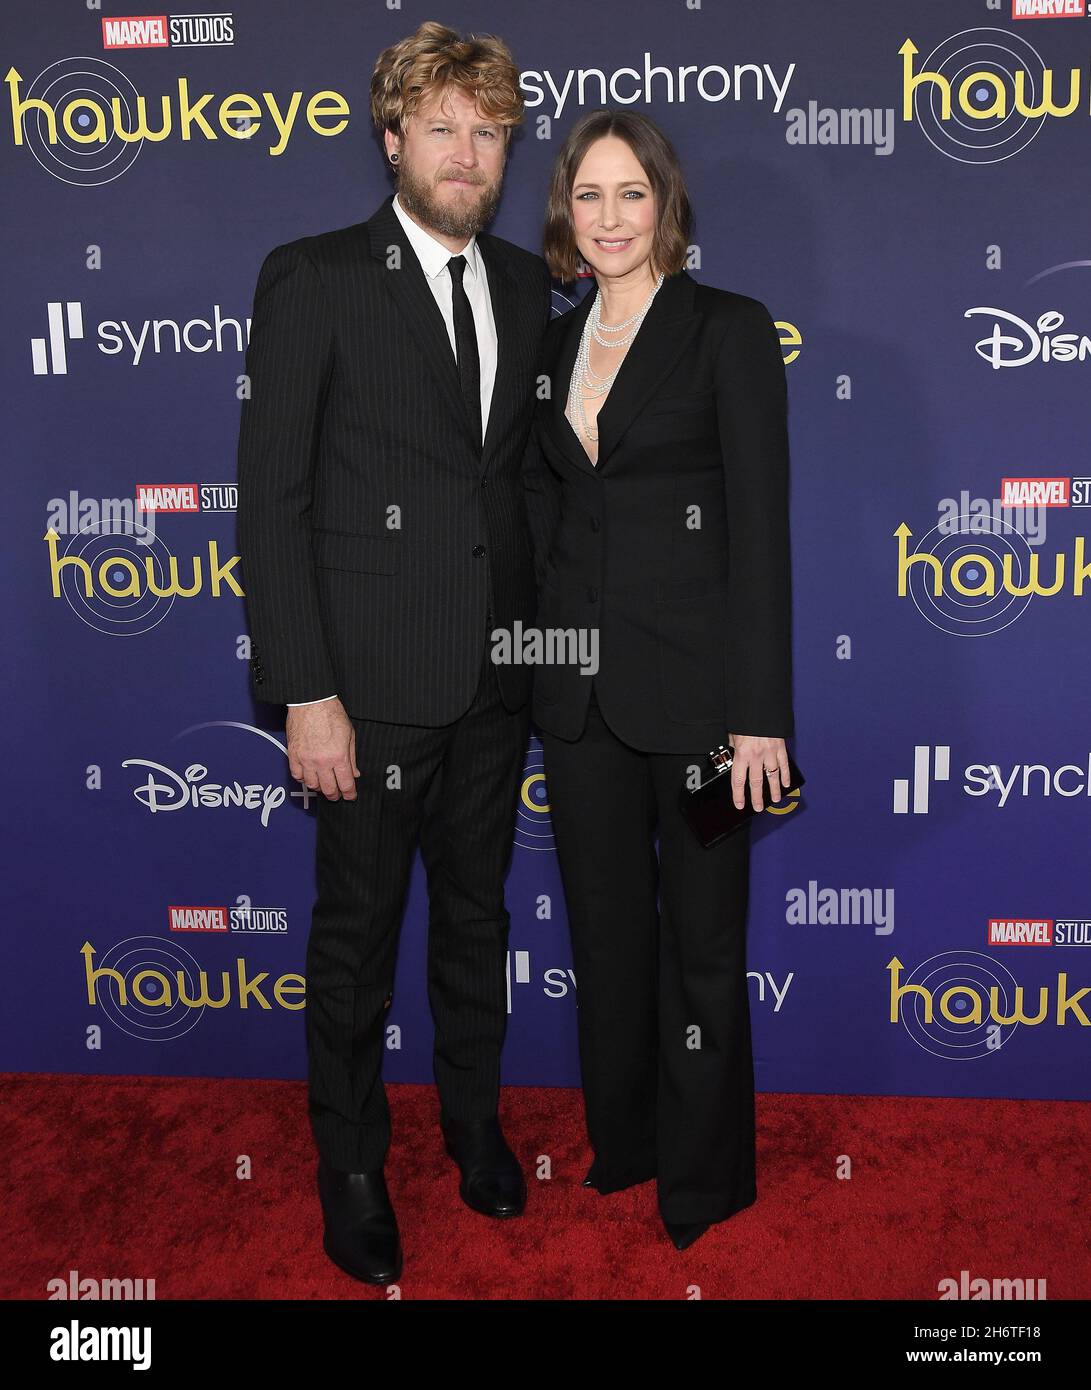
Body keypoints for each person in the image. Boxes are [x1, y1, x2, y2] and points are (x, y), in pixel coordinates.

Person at [236, 22, 551, 1285]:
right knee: (356, 941)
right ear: (391, 139)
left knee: (476, 920)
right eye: (441, 129)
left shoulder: (529, 285)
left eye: (487, 133)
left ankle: (474, 1123)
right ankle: (352, 1166)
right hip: (362, 690)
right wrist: (307, 691)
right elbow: (273, 501)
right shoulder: (313, 276)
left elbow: (521, 487)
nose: (465, 154)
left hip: (492, 685)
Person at [522, 108, 795, 1252]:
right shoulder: (548, 350)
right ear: (563, 215)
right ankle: (623, 1143)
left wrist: (756, 720)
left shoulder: (725, 331)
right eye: (588, 195)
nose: (609, 217)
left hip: (697, 714)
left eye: (630, 193)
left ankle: (701, 1176)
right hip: (578, 709)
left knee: (699, 940)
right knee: (605, 937)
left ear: (665, 205)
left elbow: (758, 534)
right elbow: (542, 528)